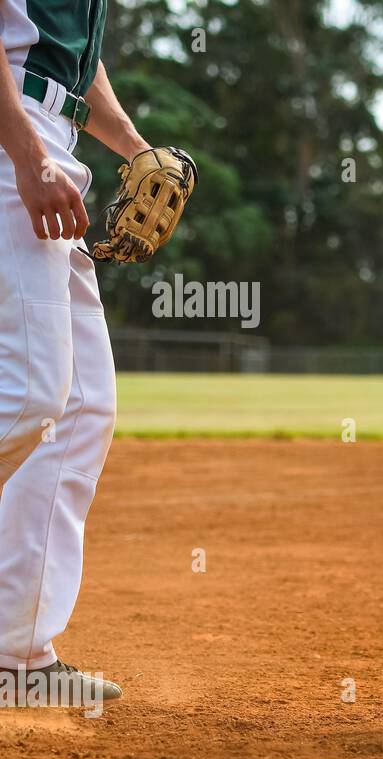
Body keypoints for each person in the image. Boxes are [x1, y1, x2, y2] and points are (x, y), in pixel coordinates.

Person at [0, 0, 160, 706]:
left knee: (83, 406)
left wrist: (132, 144)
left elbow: (71, 58)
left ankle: (16, 656)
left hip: (50, 136)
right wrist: (27, 156)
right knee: (33, 394)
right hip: (15, 139)